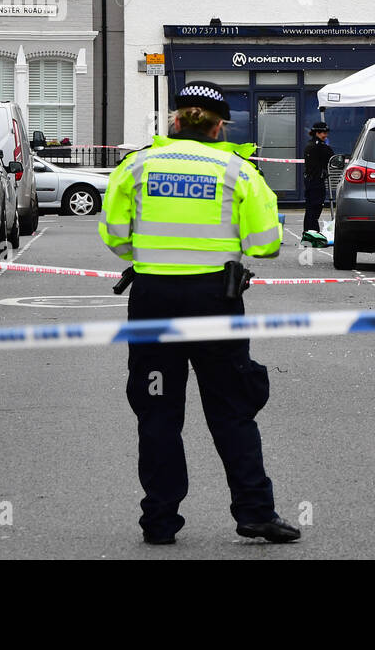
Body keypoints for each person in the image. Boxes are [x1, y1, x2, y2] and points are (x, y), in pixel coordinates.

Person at [99, 80, 300, 546]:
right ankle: (255, 512)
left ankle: (160, 521)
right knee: (232, 410)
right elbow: (266, 242)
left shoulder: (138, 165)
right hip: (216, 299)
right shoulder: (236, 170)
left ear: (175, 118)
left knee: (157, 414)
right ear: (218, 125)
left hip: (152, 301)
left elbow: (114, 234)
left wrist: (154, 256)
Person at [301, 120, 334, 244]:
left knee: (310, 208)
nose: (325, 135)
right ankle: (312, 234)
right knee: (315, 208)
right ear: (317, 133)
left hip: (310, 180)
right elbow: (332, 157)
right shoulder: (320, 146)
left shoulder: (310, 144)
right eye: (322, 133)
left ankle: (308, 234)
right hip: (316, 181)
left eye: (325, 132)